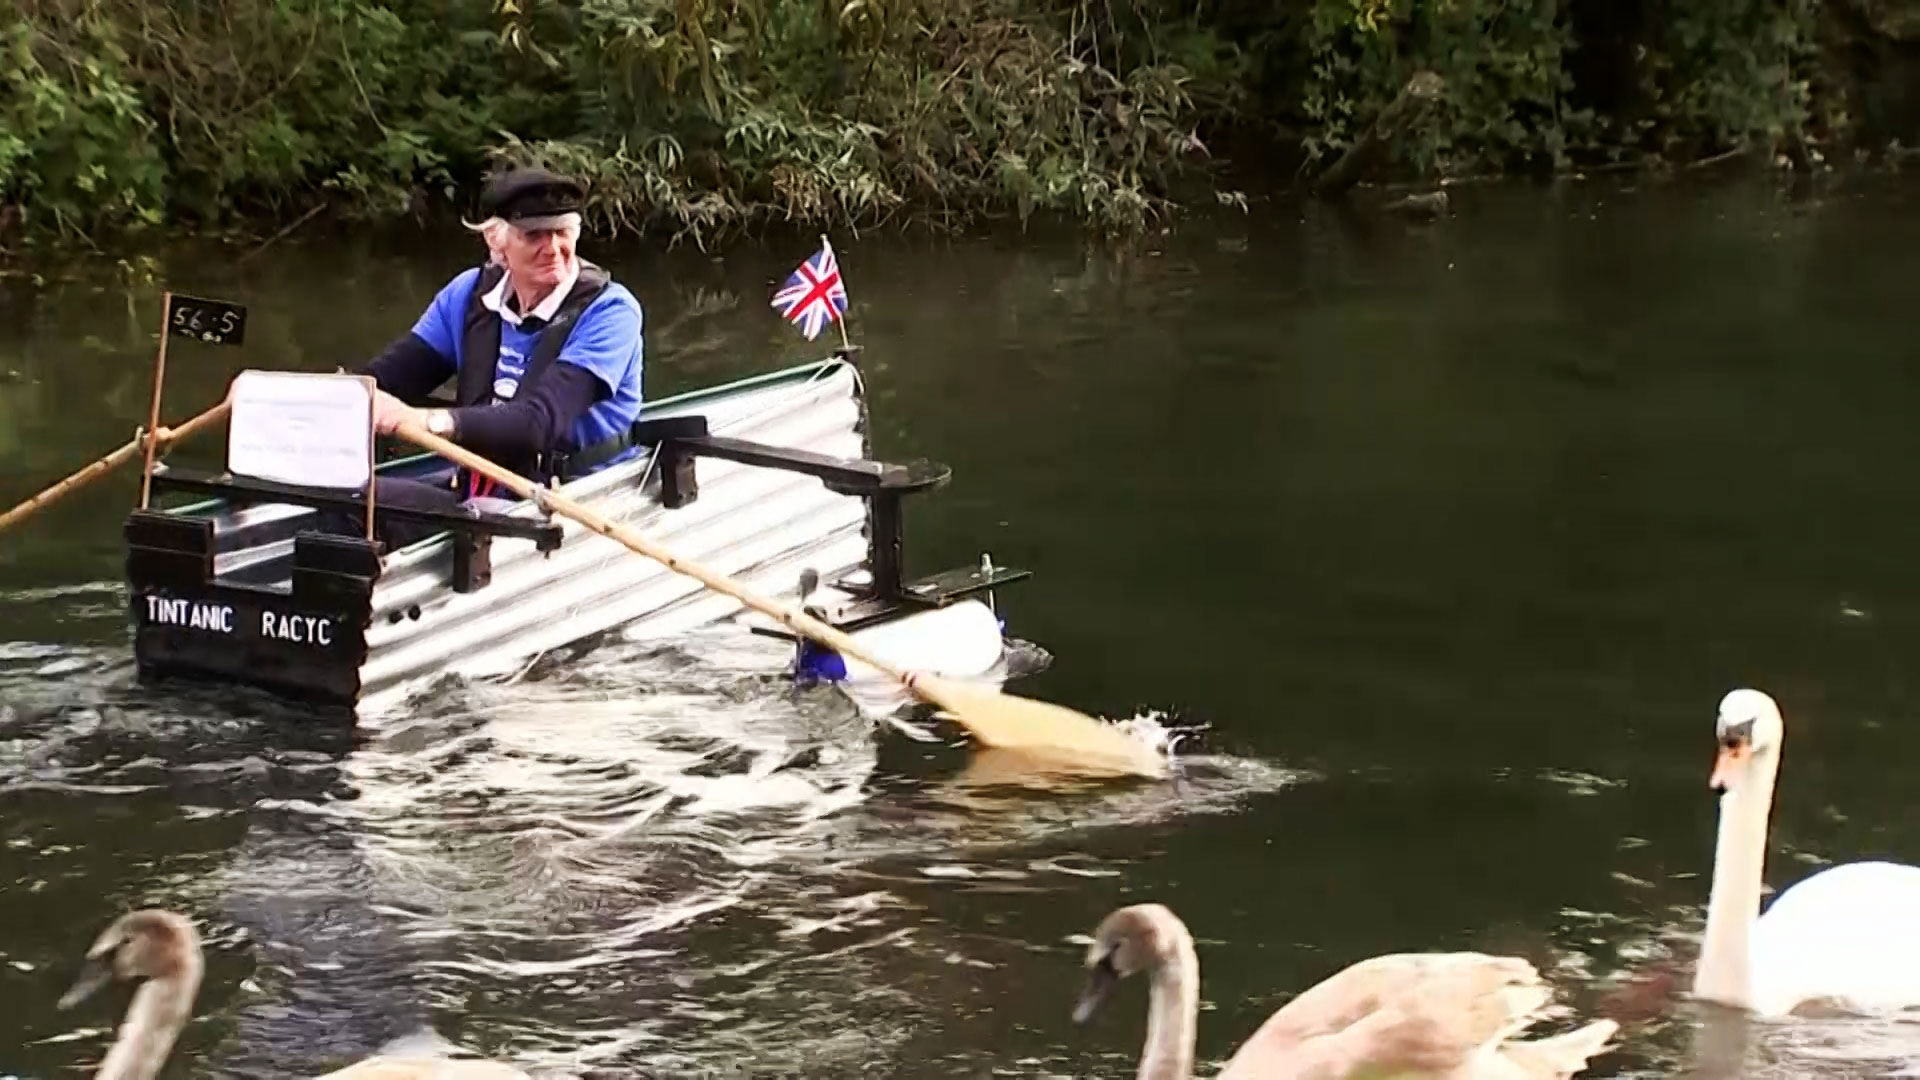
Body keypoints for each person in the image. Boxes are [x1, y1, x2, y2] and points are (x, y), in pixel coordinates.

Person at [278, 167, 646, 548]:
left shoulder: (611, 311)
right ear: (497, 242)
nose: (552, 249)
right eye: (533, 235)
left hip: (576, 494)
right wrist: (288, 399)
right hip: (481, 486)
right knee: (343, 497)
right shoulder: (467, 295)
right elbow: (388, 378)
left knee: (355, 509)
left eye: (562, 232)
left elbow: (538, 422)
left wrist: (422, 420)